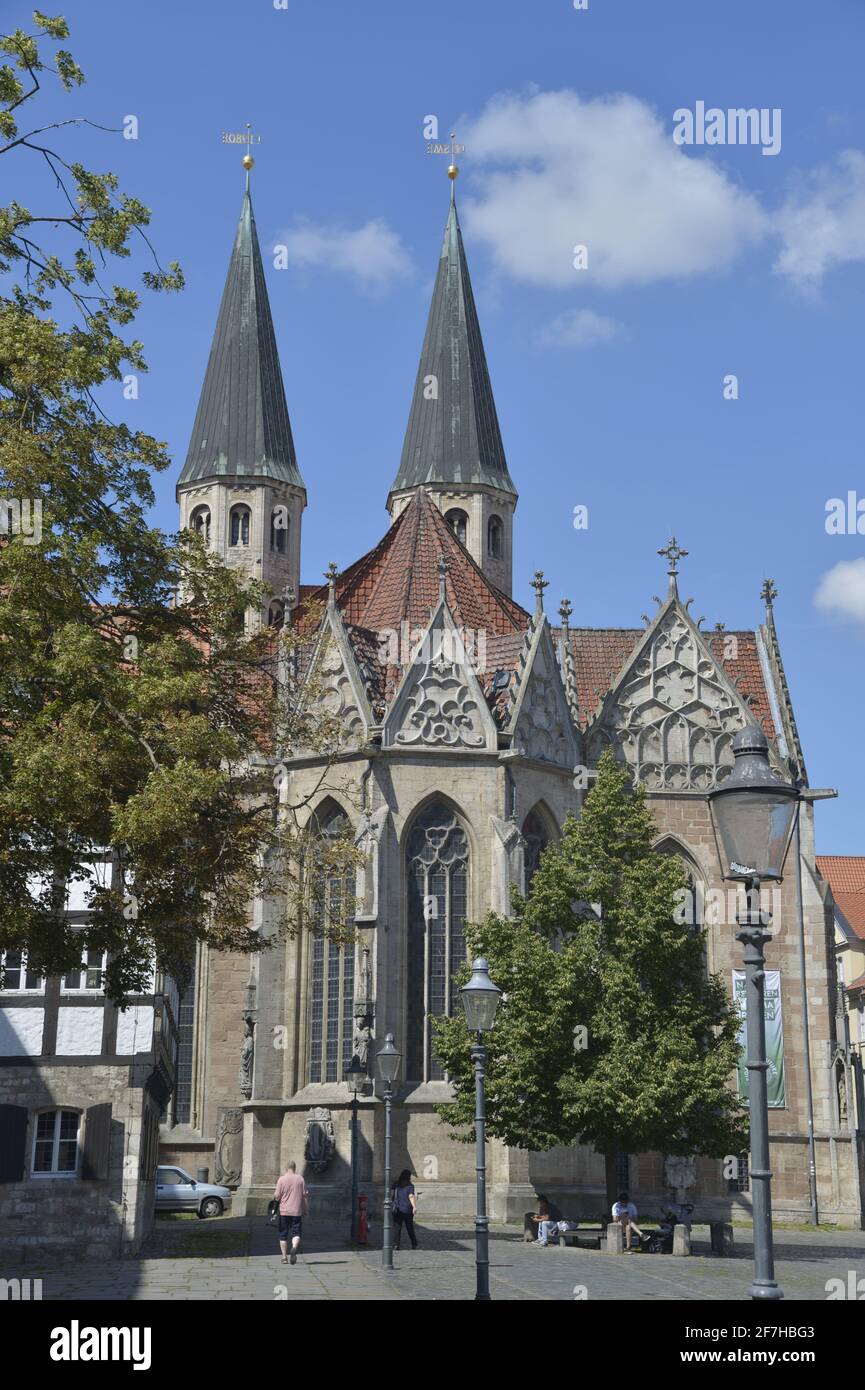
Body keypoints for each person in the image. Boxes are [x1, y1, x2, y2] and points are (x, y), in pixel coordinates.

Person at [274, 1161, 309, 1265]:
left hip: (284, 1211)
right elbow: (305, 1196)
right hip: (296, 1211)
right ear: (295, 1168)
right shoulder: (300, 1179)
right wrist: (306, 1210)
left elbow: (277, 1196)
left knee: (283, 1234)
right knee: (296, 1233)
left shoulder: (281, 1179)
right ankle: (294, 1247)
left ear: (286, 1168)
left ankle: (284, 1258)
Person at [392, 1169, 418, 1250]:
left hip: (397, 1209)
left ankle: (396, 1245)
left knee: (397, 1228)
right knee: (409, 1227)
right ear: (409, 1176)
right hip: (407, 1210)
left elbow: (391, 1194)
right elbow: (411, 1196)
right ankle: (414, 1243)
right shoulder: (410, 1186)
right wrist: (414, 1207)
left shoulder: (396, 1184)